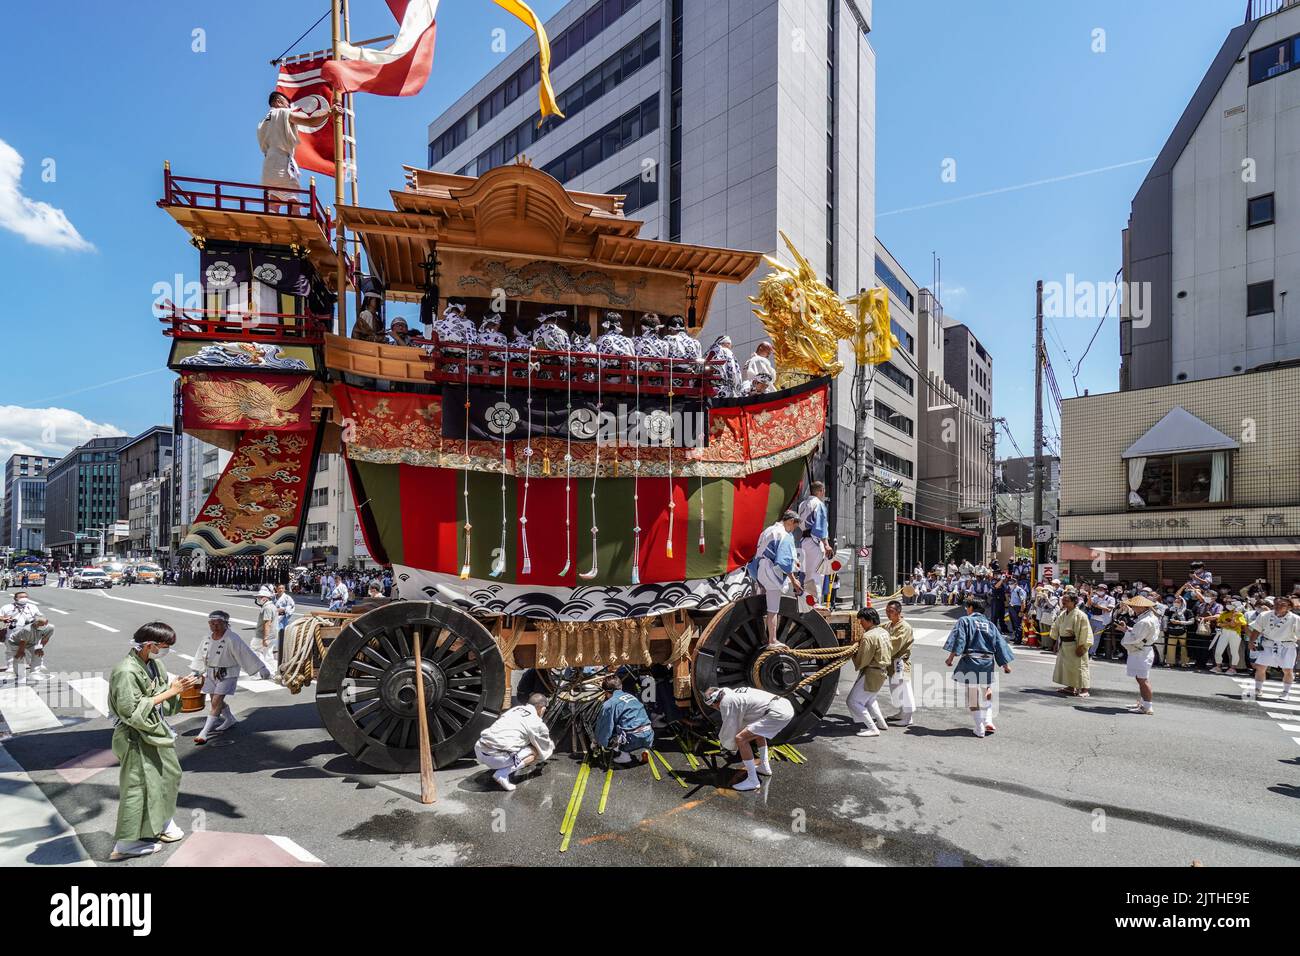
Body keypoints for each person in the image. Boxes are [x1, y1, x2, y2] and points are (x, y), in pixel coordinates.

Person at [107, 622, 202, 860]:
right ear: (150, 645)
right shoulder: (126, 671)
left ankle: (162, 823)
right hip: (133, 736)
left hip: (156, 732)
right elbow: (131, 712)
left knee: (170, 775)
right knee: (139, 786)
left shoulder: (155, 664)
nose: (166, 650)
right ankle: (126, 843)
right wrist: (171, 692)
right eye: (165, 646)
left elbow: (162, 702)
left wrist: (178, 688)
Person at [190, 611, 272, 745]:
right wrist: (196, 671)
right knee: (215, 700)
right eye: (212, 623)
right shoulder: (207, 638)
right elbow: (200, 655)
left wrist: (261, 668)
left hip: (227, 674)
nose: (214, 626)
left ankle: (204, 732)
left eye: (218, 623)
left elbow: (246, 653)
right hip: (211, 672)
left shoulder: (232, 638)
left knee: (216, 701)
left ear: (225, 624)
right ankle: (229, 719)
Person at [943, 596, 1014, 738]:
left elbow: (959, 640)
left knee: (972, 693)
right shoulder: (990, 625)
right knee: (986, 688)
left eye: (967, 607)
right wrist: (1005, 665)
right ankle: (988, 720)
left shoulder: (965, 621)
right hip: (987, 661)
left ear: (971, 608)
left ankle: (979, 727)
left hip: (971, 659)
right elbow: (999, 645)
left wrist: (951, 658)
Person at [257, 90, 336, 214]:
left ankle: (271, 228)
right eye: (286, 103)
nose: (289, 107)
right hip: (282, 161)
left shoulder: (262, 122)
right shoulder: (283, 112)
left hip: (268, 165)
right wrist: (329, 113)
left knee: (273, 200)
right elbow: (310, 121)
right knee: (294, 200)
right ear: (278, 102)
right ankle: (297, 230)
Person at [703, 685, 794, 792]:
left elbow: (729, 727)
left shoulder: (726, 702)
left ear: (714, 702)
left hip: (777, 713)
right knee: (758, 733)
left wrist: (726, 745)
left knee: (741, 738)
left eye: (713, 706)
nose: (715, 708)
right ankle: (764, 767)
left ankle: (753, 780)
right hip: (783, 706)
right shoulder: (732, 692)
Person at [474, 693, 554, 791]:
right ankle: (502, 774)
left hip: (479, 749)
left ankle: (503, 764)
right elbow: (545, 748)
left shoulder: (514, 709)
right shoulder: (537, 723)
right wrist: (551, 746)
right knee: (535, 752)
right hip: (496, 759)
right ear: (542, 709)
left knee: (515, 742)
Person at [748, 510, 803, 648]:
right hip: (770, 571)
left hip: (759, 569)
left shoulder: (768, 530)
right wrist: (794, 579)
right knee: (773, 608)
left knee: (762, 605)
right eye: (794, 526)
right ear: (790, 521)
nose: (794, 529)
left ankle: (762, 637)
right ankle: (772, 640)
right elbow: (784, 562)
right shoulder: (784, 534)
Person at [846, 607, 894, 737]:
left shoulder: (868, 636)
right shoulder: (883, 632)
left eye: (862, 620)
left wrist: (851, 653)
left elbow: (862, 661)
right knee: (870, 699)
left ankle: (873, 728)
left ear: (869, 620)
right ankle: (881, 723)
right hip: (882, 671)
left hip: (872, 672)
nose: (860, 623)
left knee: (852, 701)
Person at [594, 675, 654, 764]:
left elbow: (605, 727)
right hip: (648, 734)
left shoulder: (609, 704)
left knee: (614, 729)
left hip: (631, 738)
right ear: (621, 686)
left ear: (606, 692)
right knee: (632, 723)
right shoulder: (631, 696)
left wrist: (598, 741)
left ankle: (625, 756)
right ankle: (644, 750)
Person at [1249, 594, 1298, 702]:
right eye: (1276, 604)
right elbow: (1257, 629)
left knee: (1287, 670)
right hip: (1268, 644)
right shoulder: (1264, 615)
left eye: (1282, 605)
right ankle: (1258, 689)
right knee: (1260, 667)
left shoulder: (1295, 618)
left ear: (1289, 607)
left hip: (1287, 645)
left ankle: (1286, 692)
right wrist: (1251, 642)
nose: (1278, 606)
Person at [1120, 594, 1162, 715]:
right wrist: (1126, 629)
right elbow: (1139, 634)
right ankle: (1144, 702)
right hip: (1143, 649)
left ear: (1142, 607)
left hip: (1141, 651)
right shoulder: (1149, 617)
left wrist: (1126, 632)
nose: (1133, 608)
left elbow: (1135, 638)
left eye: (1135, 606)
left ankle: (1147, 706)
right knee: (1140, 678)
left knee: (1143, 679)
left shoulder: (1145, 620)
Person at [797, 481, 834, 608]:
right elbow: (820, 526)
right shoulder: (819, 504)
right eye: (823, 491)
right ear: (821, 490)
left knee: (805, 572)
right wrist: (826, 544)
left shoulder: (802, 504)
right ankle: (814, 603)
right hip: (814, 541)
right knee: (816, 573)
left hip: (803, 541)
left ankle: (805, 601)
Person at [1050, 590, 1093, 698]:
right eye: (1063, 600)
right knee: (1067, 666)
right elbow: (1056, 627)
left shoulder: (1081, 615)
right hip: (1064, 643)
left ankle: (1084, 689)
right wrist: (1055, 642)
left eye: (1066, 600)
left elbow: (1085, 632)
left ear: (1074, 602)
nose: (1063, 602)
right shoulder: (1063, 614)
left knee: (1080, 666)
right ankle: (1071, 687)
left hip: (1076, 644)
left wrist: (1081, 646)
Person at [884, 600, 916, 727]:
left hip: (900, 661)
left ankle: (908, 717)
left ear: (898, 612)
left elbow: (895, 643)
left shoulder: (905, 627)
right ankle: (902, 712)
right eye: (887, 611)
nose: (888, 614)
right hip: (891, 662)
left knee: (905, 689)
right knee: (895, 689)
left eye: (890, 611)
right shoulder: (889, 625)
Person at [0, 591, 42, 683]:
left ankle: (35, 672)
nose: (24, 598)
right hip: (13, 634)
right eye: (21, 597)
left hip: (30, 635)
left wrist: (38, 621)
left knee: (36, 652)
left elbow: (39, 617)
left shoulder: (32, 607)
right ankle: (16, 671)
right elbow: (0, 616)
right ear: (15, 598)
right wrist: (4, 619)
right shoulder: (7, 607)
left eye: (26, 596)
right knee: (14, 653)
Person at [6, 616, 54, 684]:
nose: (44, 626)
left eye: (45, 624)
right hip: (16, 642)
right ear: (35, 623)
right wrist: (21, 651)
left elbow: (45, 639)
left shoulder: (50, 628)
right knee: (19, 657)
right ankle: (20, 675)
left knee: (38, 654)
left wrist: (40, 648)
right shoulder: (27, 629)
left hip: (32, 642)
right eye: (41, 625)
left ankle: (35, 673)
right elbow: (23, 642)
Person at [1210, 601, 1249, 675]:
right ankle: (1218, 666)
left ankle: (1233, 668)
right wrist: (1226, 624)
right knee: (1218, 650)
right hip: (1224, 632)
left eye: (1230, 604)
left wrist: (1234, 616)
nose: (1229, 606)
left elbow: (1235, 625)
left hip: (1235, 634)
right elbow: (1218, 623)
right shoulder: (1223, 613)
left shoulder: (1239, 615)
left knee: (1234, 651)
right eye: (1228, 604)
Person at [1164, 595, 1195, 668]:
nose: (1176, 603)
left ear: (1182, 603)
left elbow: (1191, 621)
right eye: (1175, 602)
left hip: (1183, 631)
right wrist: (1165, 627)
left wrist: (1180, 622)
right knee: (1170, 647)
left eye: (1178, 602)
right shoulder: (1169, 610)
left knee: (1184, 647)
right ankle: (1169, 662)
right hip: (1172, 630)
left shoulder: (1187, 611)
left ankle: (1184, 662)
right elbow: (1165, 619)